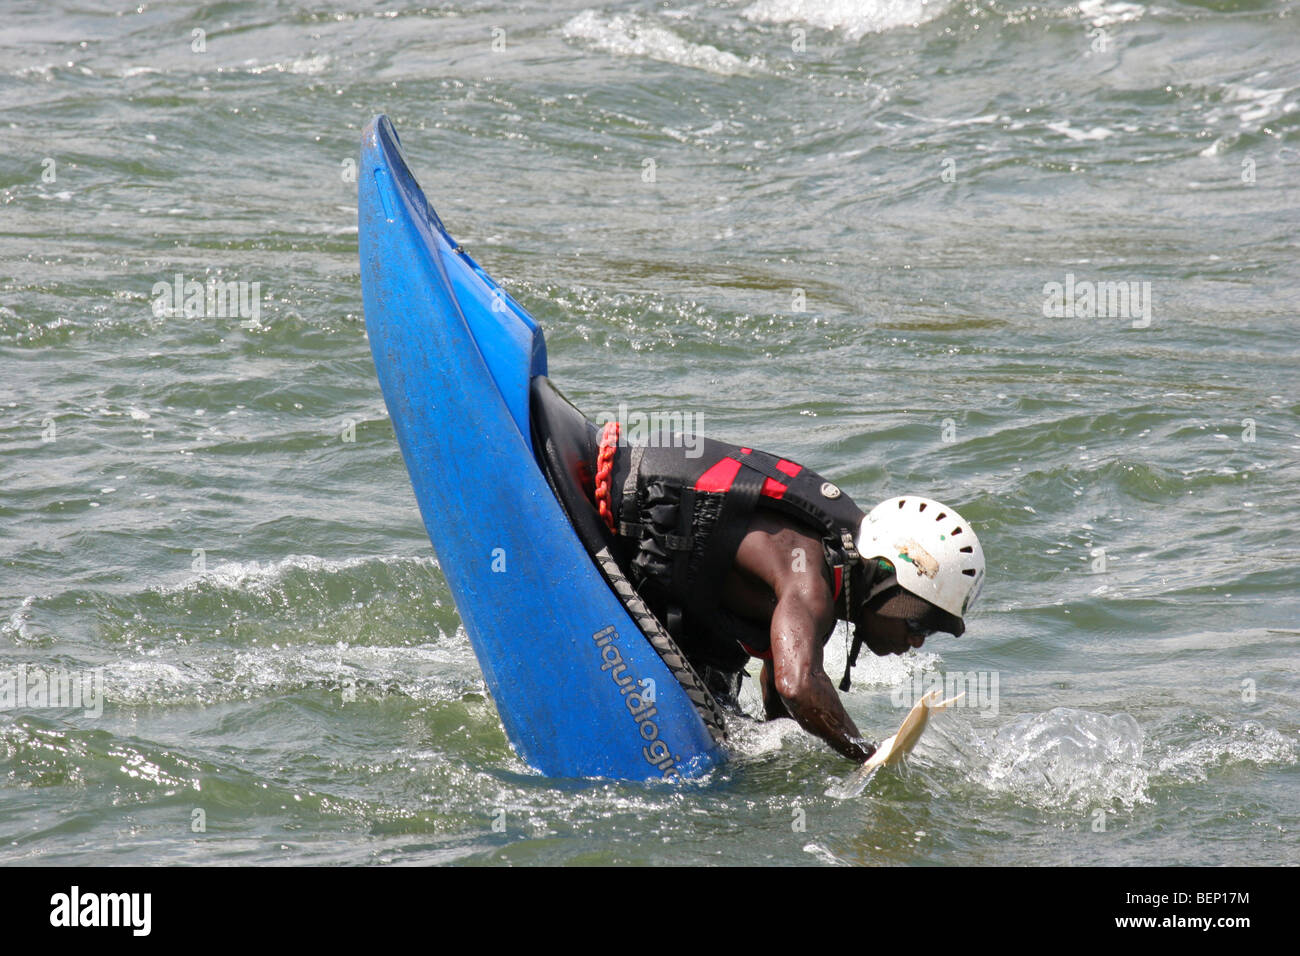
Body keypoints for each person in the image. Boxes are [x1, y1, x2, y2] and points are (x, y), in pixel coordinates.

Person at [591, 423, 985, 763]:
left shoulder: (832, 579)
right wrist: (864, 753)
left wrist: (777, 742)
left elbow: (776, 685)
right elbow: (798, 685)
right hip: (615, 506)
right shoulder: (810, 578)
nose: (916, 640)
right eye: (918, 621)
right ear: (886, 581)